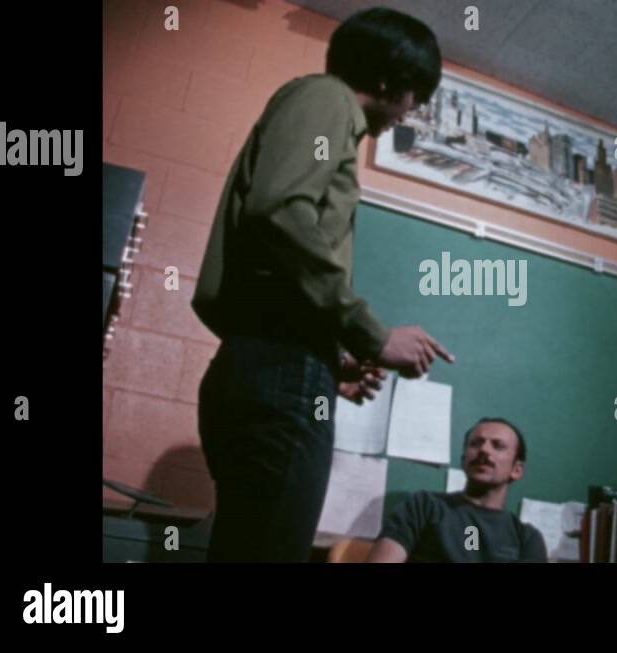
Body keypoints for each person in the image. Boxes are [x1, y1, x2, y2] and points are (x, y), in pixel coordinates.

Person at [191, 7, 453, 562]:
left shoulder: (321, 109)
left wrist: (328, 361)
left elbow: (277, 245)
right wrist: (373, 336)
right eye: (413, 98)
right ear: (387, 81)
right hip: (279, 375)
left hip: (272, 368)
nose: (409, 113)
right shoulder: (327, 99)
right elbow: (282, 212)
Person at [366, 418, 548, 562]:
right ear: (463, 461)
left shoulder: (526, 538)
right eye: (476, 443)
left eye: (497, 445)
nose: (484, 449)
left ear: (516, 470)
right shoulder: (424, 506)